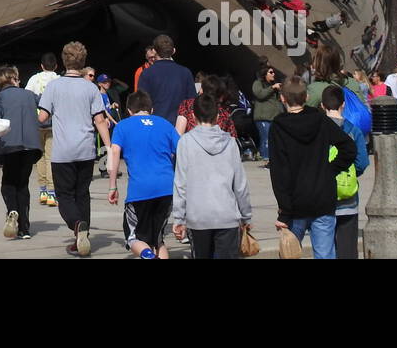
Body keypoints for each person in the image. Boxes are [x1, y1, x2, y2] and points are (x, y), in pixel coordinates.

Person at [268, 75, 355, 260]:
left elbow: (279, 172)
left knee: (290, 254)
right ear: (306, 96)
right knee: (325, 254)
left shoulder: (278, 126)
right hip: (323, 197)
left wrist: (284, 210)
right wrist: (330, 169)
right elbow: (348, 147)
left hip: (294, 202)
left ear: (282, 98)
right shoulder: (320, 120)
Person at [38, 41, 111, 257]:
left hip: (63, 151)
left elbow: (42, 117)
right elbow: (99, 119)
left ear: (64, 60)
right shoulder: (90, 87)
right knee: (82, 194)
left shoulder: (54, 86)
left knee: (64, 195)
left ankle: (77, 224)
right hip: (86, 149)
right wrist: (109, 146)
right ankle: (82, 240)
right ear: (83, 62)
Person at [170, 92, 252, 259]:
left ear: (193, 115)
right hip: (227, 215)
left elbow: (181, 183)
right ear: (217, 116)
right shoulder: (230, 143)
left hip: (198, 217)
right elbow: (240, 184)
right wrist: (246, 215)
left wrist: (179, 218)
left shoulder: (185, 142)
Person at [107, 90, 180, 259]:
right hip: (166, 188)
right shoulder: (165, 124)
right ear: (151, 109)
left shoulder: (123, 126)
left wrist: (113, 186)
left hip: (140, 191)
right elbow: (182, 150)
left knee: (133, 238)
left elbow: (114, 151)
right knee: (158, 239)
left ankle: (148, 256)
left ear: (129, 111)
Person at [0, 65, 41, 240]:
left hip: (10, 145)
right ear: (13, 78)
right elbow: (46, 105)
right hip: (31, 146)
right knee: (23, 184)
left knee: (8, 182)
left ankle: (12, 210)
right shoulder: (29, 94)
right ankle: (24, 228)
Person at [321, 85, 368, 260]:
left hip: (323, 200)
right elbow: (362, 163)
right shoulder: (354, 131)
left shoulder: (318, 130)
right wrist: (348, 173)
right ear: (343, 104)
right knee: (348, 251)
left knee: (325, 250)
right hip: (348, 199)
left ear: (322, 106)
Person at [24, 53, 60, 206]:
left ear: (41, 66)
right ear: (56, 66)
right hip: (54, 124)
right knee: (51, 157)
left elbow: (27, 97)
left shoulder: (34, 79)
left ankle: (43, 191)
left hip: (37, 123)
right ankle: (52, 193)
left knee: (40, 156)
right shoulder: (59, 80)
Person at [139, 34, 197, 125]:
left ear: (154, 51)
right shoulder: (185, 73)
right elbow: (192, 104)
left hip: (155, 127)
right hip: (179, 129)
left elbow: (141, 107)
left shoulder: (146, 74)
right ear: (173, 51)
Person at [251, 65, 283, 166]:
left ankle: (273, 159)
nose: (274, 74)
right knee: (266, 138)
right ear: (264, 74)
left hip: (274, 117)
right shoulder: (258, 83)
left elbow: (277, 101)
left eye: (273, 72)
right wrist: (272, 87)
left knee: (274, 139)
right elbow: (260, 94)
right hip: (263, 118)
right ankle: (267, 160)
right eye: (271, 72)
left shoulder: (273, 86)